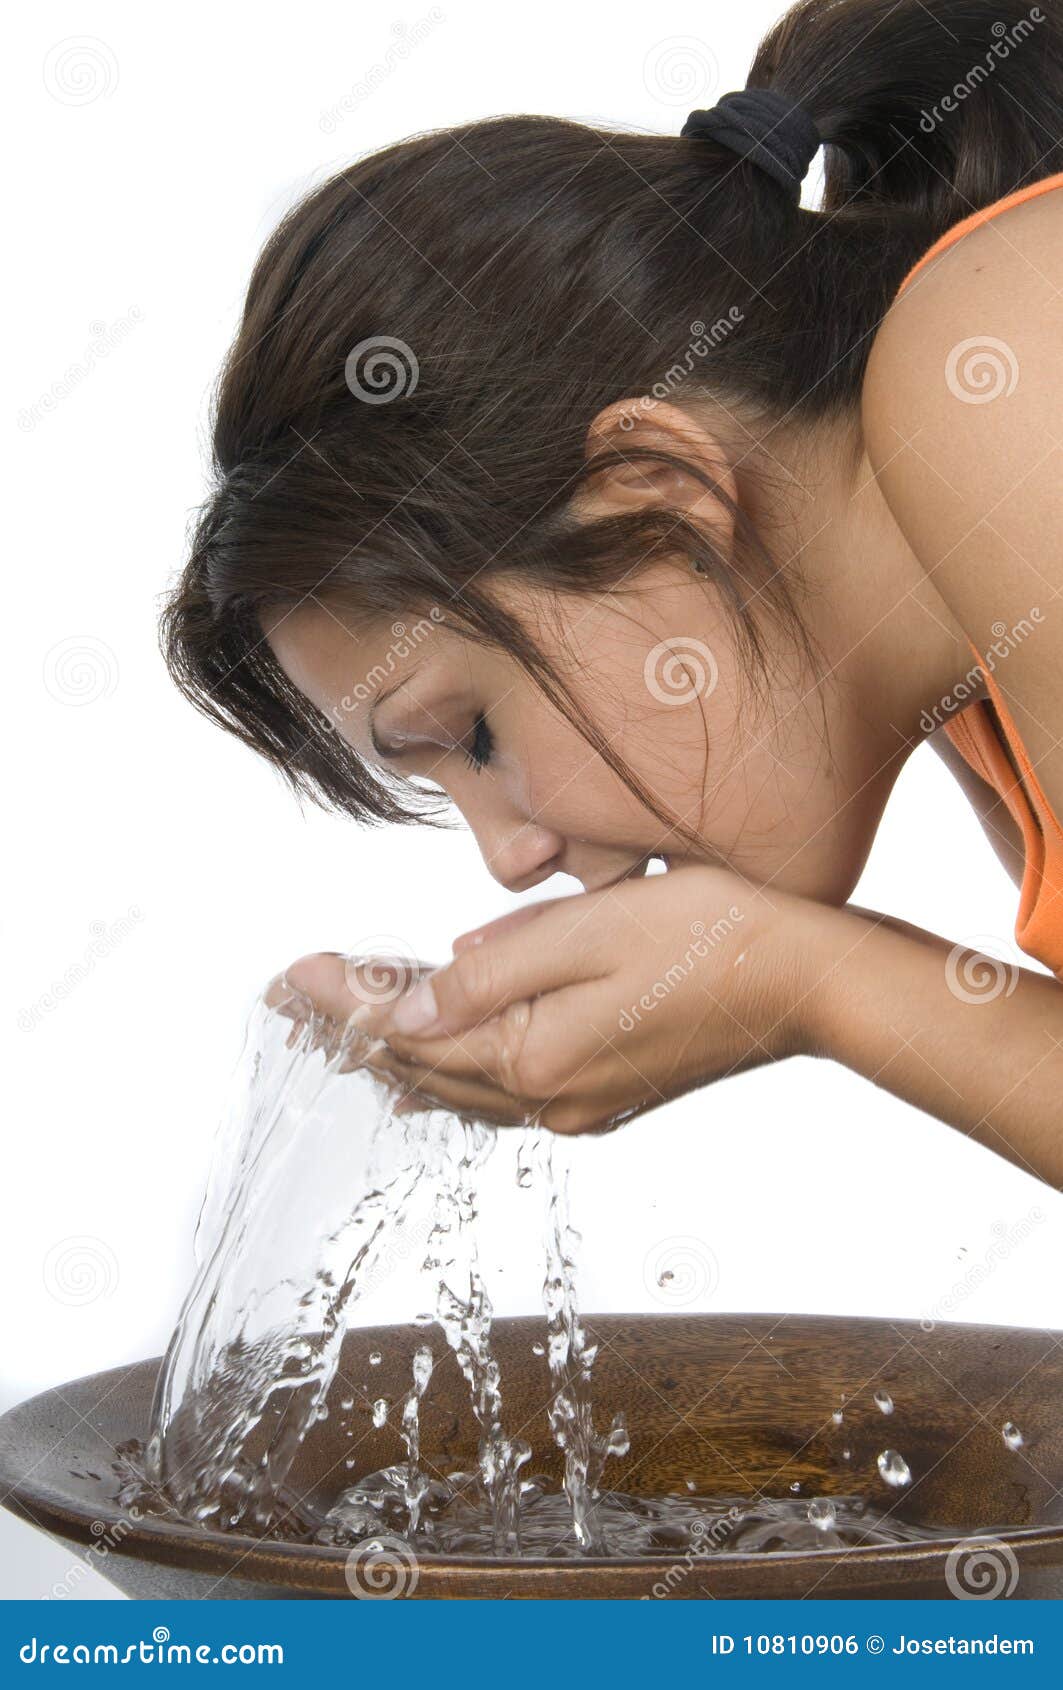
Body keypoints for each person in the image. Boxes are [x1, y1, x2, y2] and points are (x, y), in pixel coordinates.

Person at [162, 0, 1063, 1184]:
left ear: (655, 497)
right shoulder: (962, 655)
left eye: (472, 733)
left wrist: (814, 982)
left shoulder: (997, 367)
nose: (510, 860)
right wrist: (795, 971)